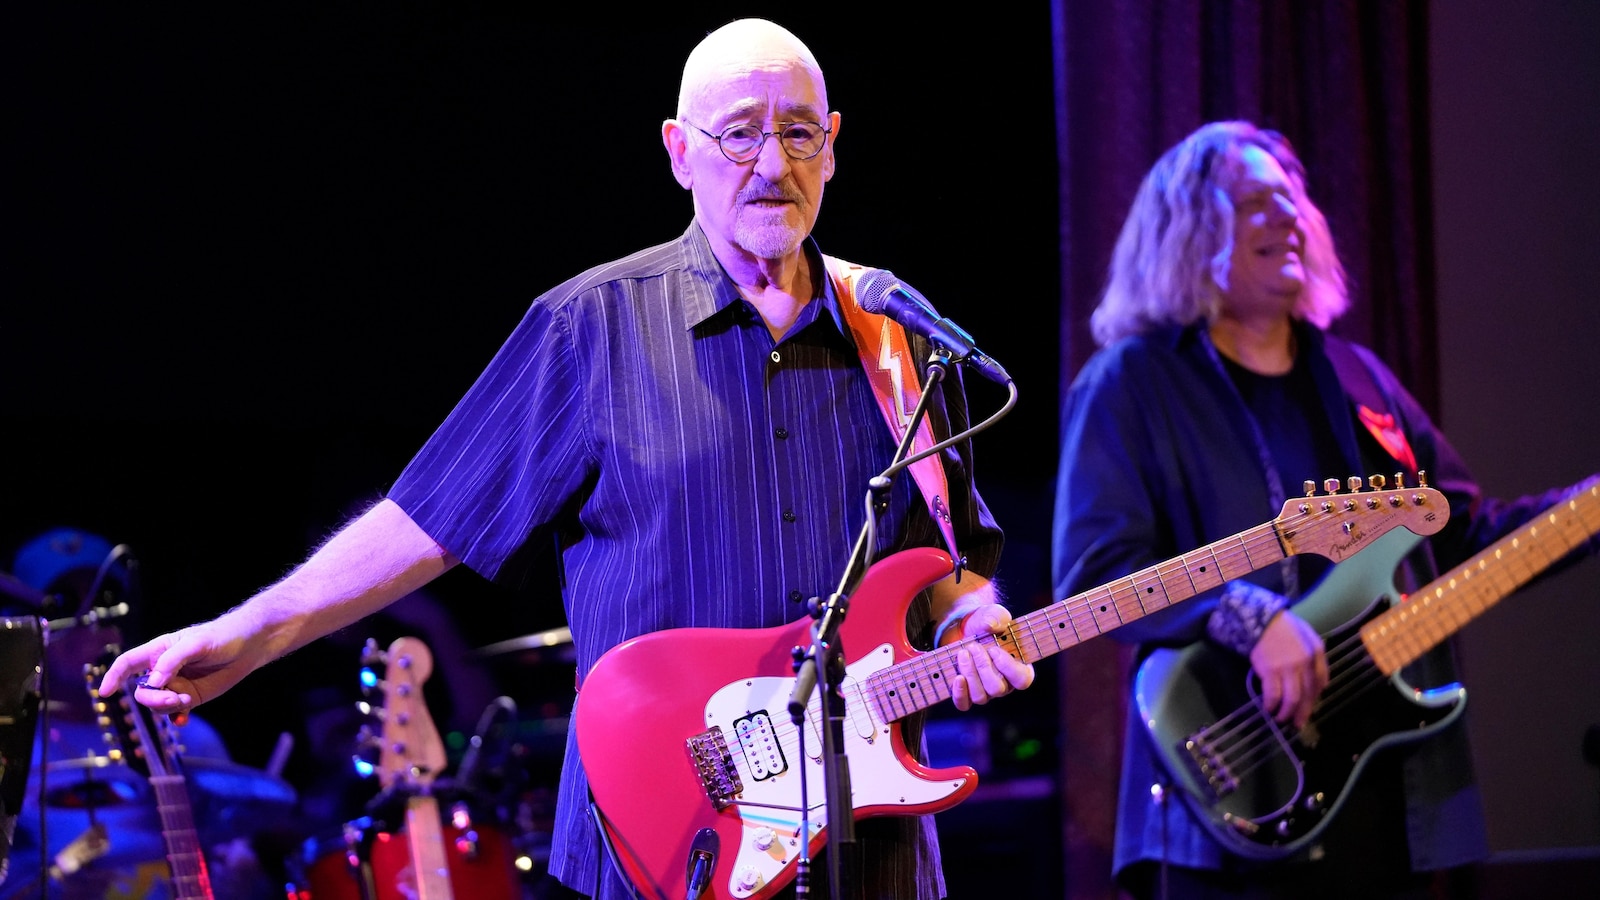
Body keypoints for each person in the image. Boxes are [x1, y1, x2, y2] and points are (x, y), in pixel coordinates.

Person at [97, 18, 1035, 900]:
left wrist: (972, 624)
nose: (771, 164)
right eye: (740, 134)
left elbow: (951, 567)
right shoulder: (591, 328)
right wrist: (245, 638)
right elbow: (428, 521)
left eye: (797, 134)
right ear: (679, 152)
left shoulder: (898, 337)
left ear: (831, 146)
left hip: (870, 856)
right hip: (658, 853)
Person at [1050, 120, 1598, 899]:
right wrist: (1249, 617)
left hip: (1384, 795)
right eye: (1254, 201)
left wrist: (1588, 511)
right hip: (1226, 790)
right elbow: (1095, 576)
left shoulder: (1359, 377)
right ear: (1186, 230)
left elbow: (1464, 536)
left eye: (1294, 198)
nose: (1289, 215)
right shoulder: (1130, 383)